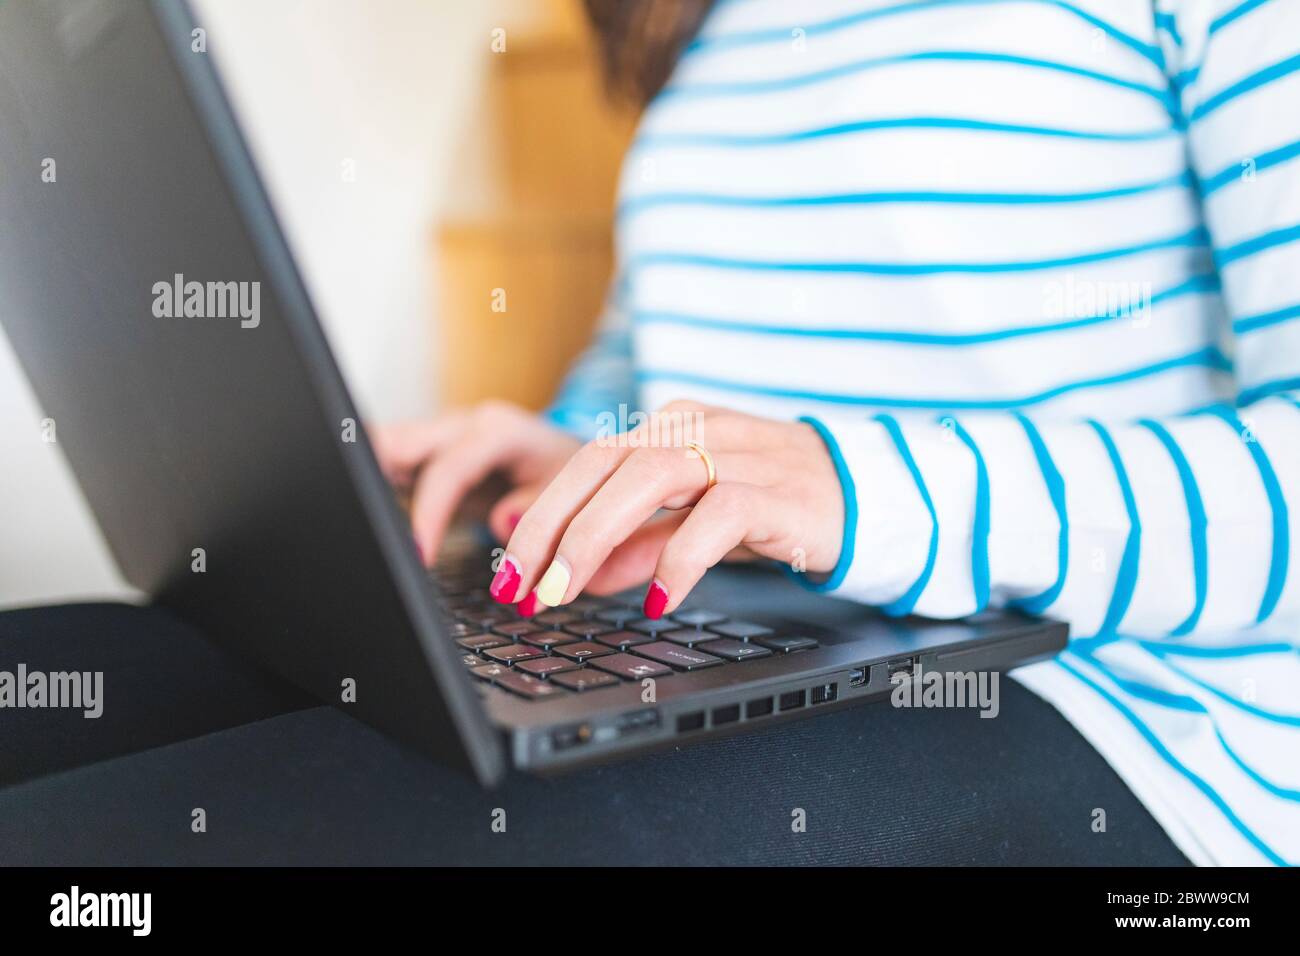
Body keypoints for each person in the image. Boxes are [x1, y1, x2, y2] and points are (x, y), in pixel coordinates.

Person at [374, 0, 1300, 865]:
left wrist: (864, 488)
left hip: (1130, 706)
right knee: (273, 693)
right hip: (734, 625)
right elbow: (673, 367)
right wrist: (576, 455)